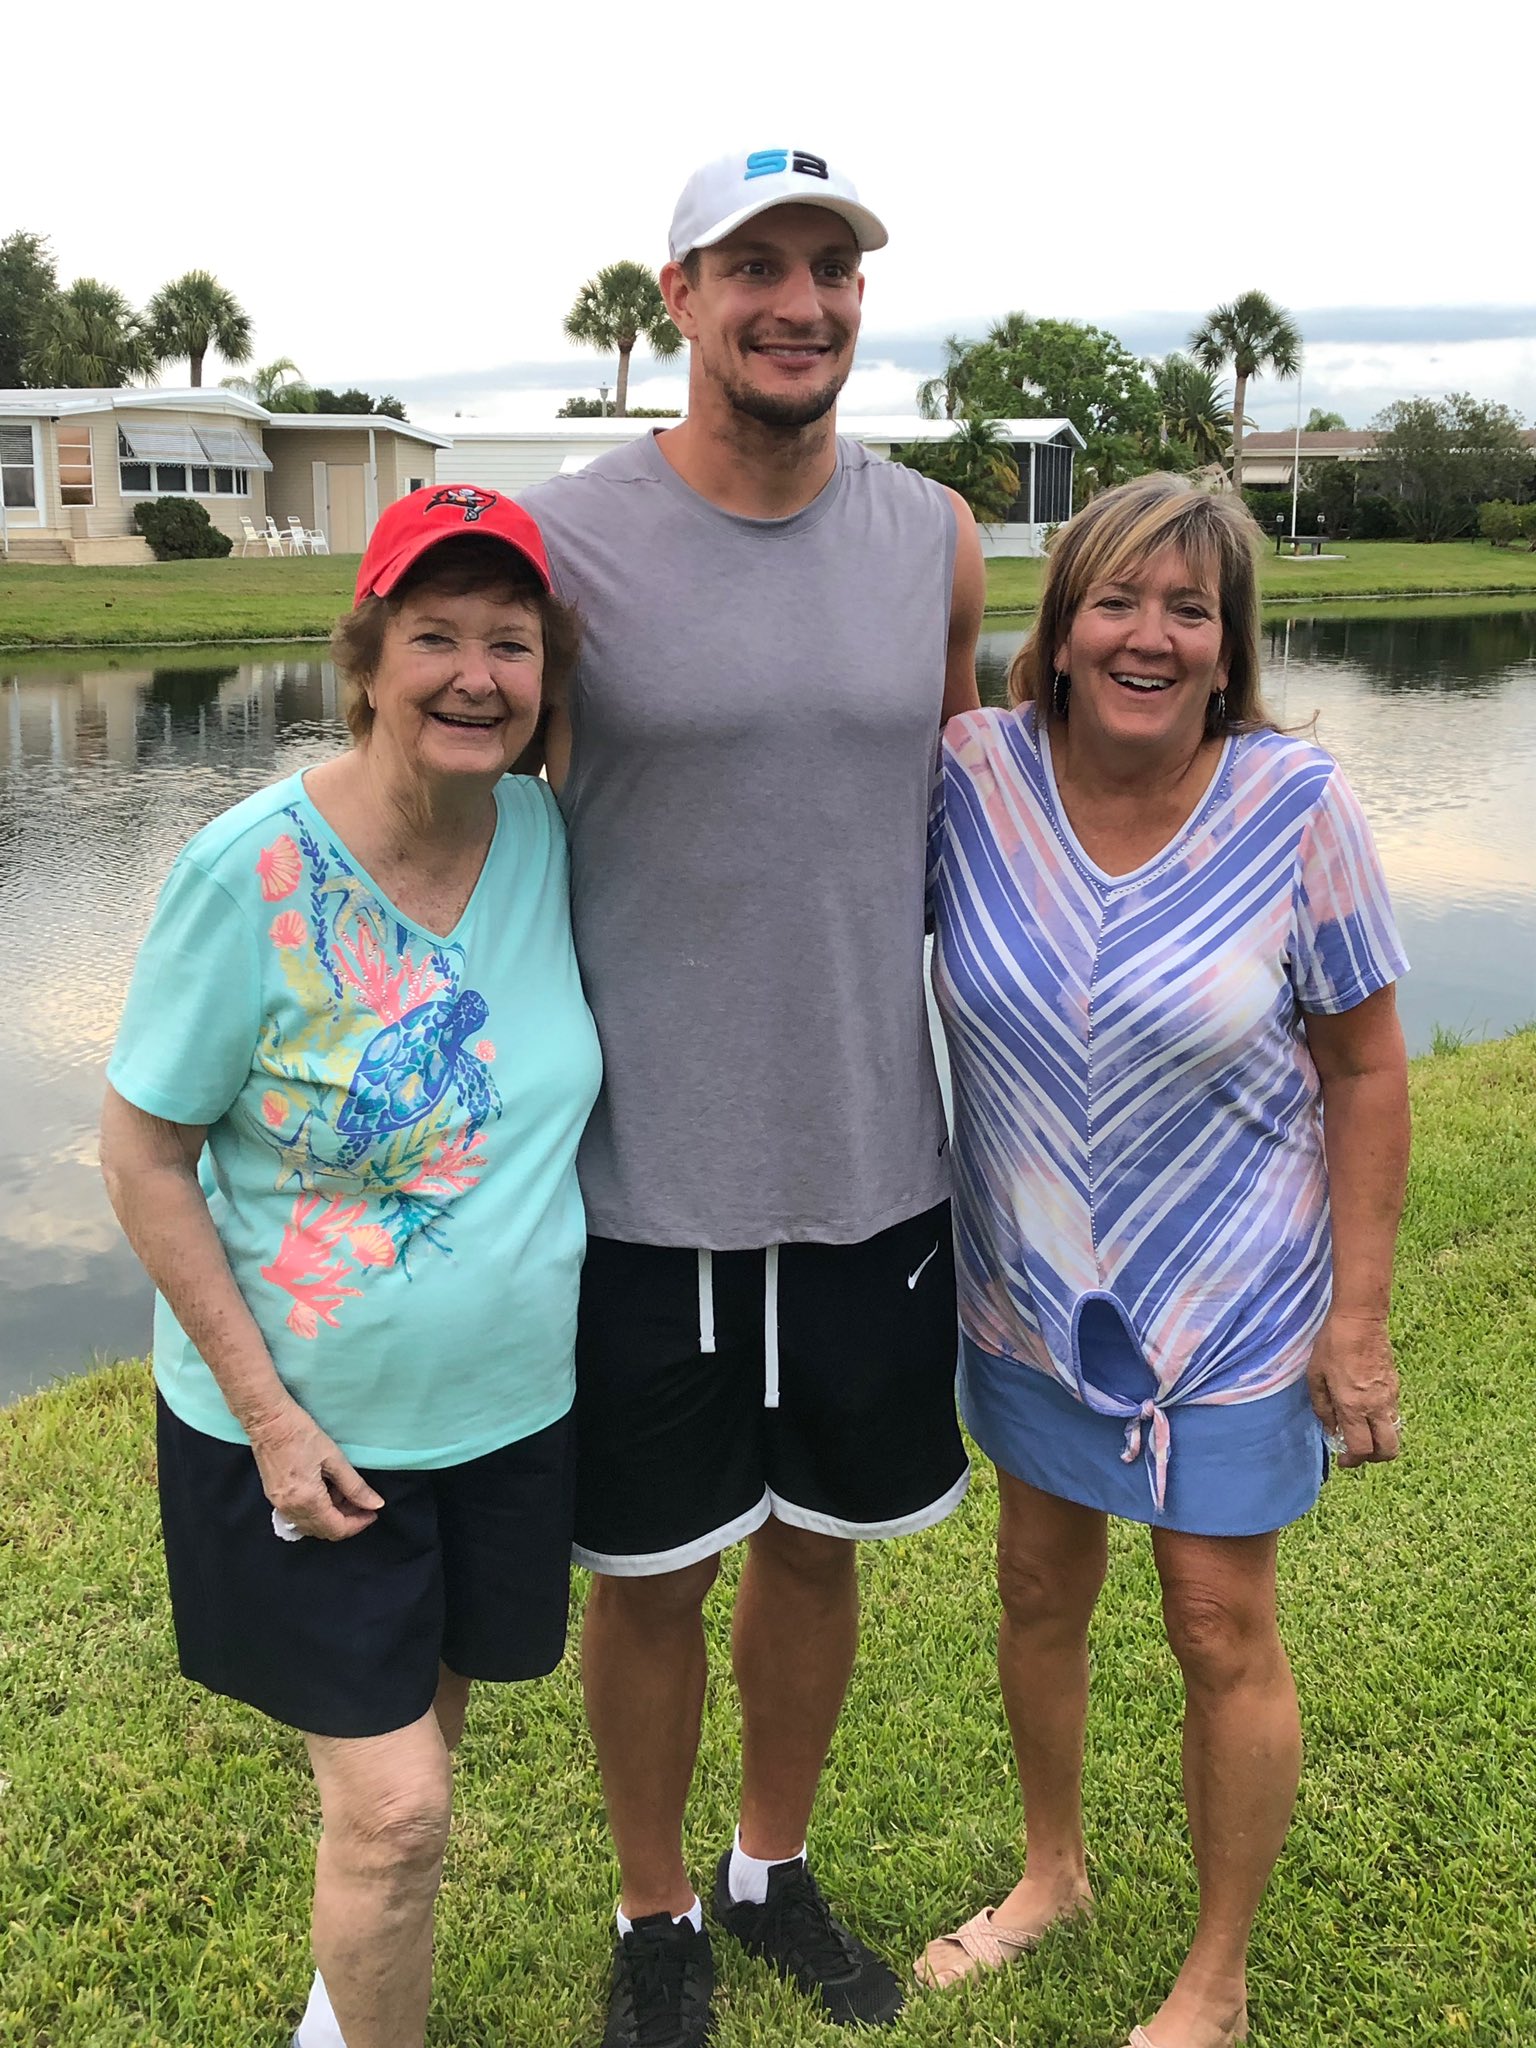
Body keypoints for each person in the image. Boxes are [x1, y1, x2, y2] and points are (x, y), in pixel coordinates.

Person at [520, 147, 985, 2047]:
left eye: (832, 269)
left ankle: (768, 1868)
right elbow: (457, 783)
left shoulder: (936, 537)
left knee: (816, 1549)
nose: (800, 301)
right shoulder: (563, 543)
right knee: (649, 1577)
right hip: (644, 1175)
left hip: (877, 1155)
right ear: (679, 297)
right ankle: (653, 1915)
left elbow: (965, 809)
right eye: (756, 267)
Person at [98, 485, 602, 2048]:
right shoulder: (246, 874)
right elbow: (140, 1154)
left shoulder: (538, 831)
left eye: (508, 643)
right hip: (311, 1435)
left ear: (545, 679)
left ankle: (345, 2009)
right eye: (433, 635)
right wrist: (269, 1421)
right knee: (396, 1814)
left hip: (511, 1420)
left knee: (420, 1769)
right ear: (365, 658)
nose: (474, 675)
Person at [920, 473, 1411, 2045]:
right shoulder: (971, 779)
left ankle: (1218, 1980)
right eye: (1116, 603)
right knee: (1034, 1588)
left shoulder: (1295, 803)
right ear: (1057, 633)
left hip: (1238, 1298)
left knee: (1216, 1622)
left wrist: (1362, 1318)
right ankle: (1050, 1872)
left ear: (1227, 647)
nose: (1150, 636)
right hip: (1028, 1285)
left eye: (1188, 610)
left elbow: (1367, 1067)